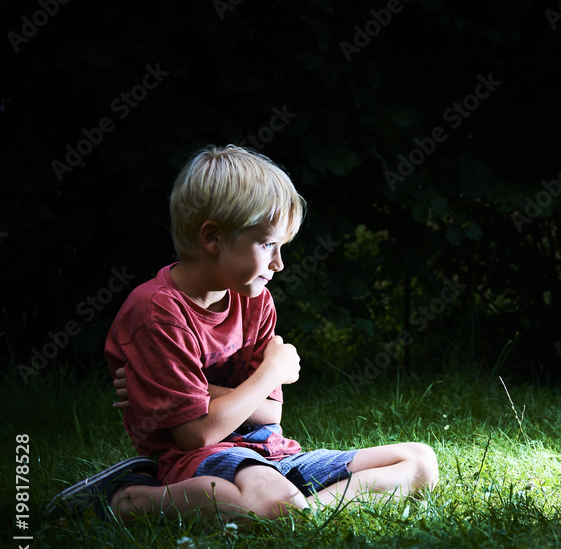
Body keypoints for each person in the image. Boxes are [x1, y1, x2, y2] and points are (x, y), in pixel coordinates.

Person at [48, 145, 438, 524]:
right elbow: (196, 434)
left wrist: (189, 392)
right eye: (267, 243)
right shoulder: (157, 312)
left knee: (420, 461)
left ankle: (302, 511)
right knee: (263, 500)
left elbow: (270, 413)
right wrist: (271, 371)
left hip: (273, 454)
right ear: (212, 238)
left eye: (281, 246)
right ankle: (130, 498)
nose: (279, 263)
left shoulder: (256, 301)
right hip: (197, 460)